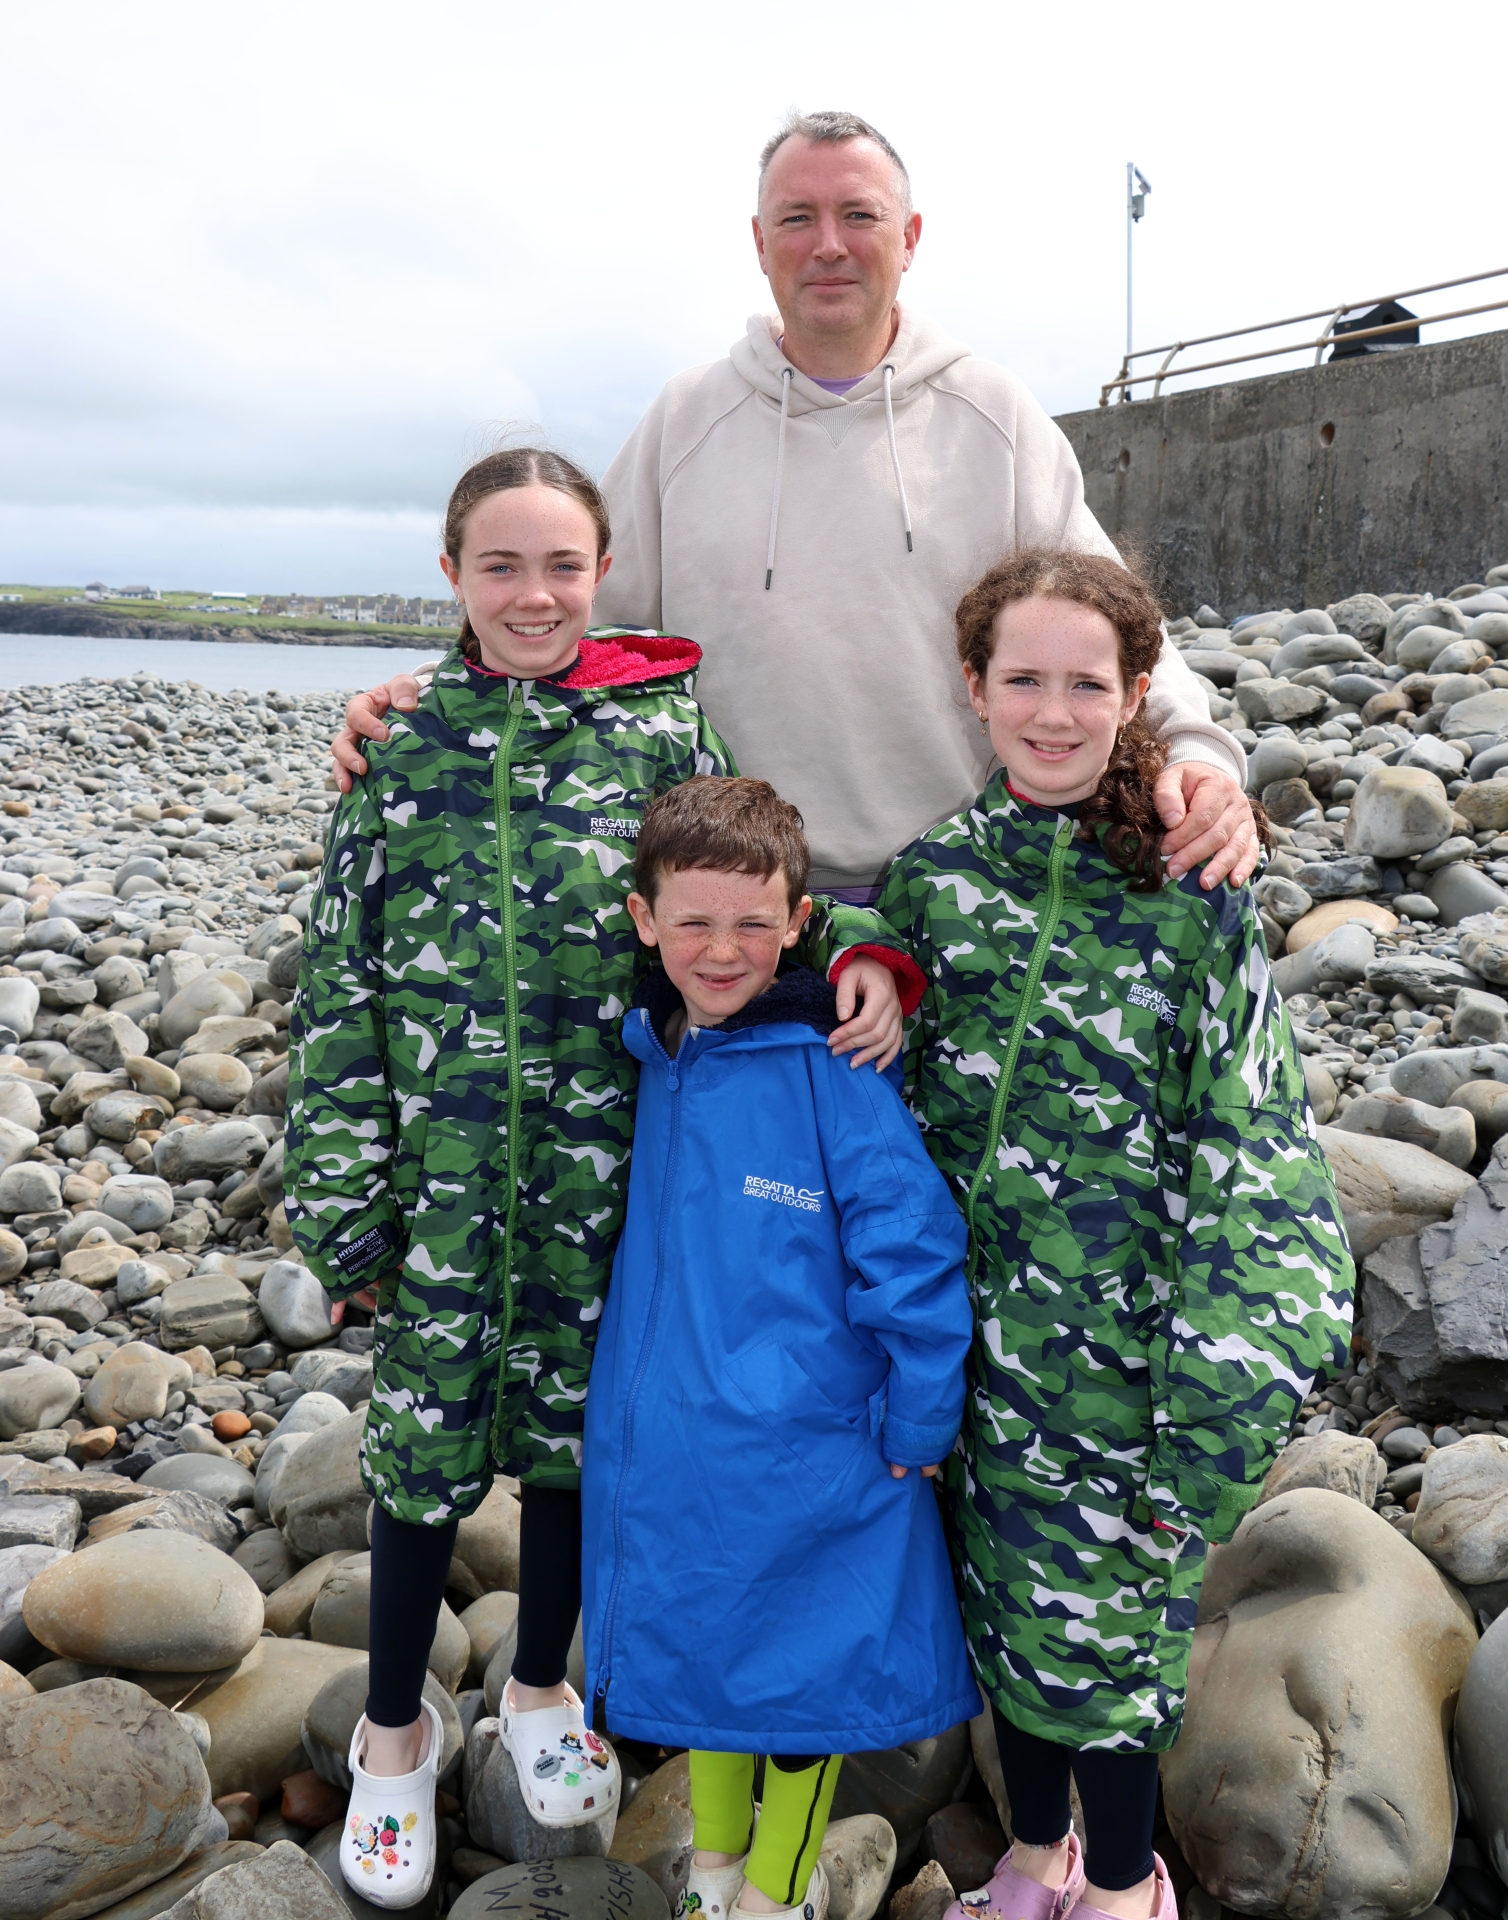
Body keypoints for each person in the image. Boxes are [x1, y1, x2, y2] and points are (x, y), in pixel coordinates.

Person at [284, 449, 909, 1909]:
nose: (534, 594)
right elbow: (341, 991)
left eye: (562, 566)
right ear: (451, 575)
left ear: (601, 573)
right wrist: (342, 1198)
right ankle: (392, 1730)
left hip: (610, 1176)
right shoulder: (404, 750)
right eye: (500, 566)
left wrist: (859, 968)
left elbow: (726, 907)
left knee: (576, 1440)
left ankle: (543, 1684)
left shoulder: (656, 731)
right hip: (443, 1180)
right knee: (423, 1452)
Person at [329, 110, 1261, 898]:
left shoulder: (996, 416)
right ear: (758, 241)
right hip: (738, 909)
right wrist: (423, 704)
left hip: (966, 887)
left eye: (859, 214)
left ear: (912, 237)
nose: (828, 244)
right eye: (798, 217)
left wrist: (1203, 756)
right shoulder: (685, 418)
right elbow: (559, 624)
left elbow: (1118, 630)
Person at [875, 549, 1354, 1920]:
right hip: (963, 1368)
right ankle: (1035, 1860)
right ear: (973, 688)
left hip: (1125, 1374)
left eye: (1087, 682)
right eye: (1021, 678)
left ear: (1138, 691)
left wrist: (1203, 1412)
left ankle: (1130, 1882)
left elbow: (1255, 1164)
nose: (1052, 709)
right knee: (999, 1627)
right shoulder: (931, 888)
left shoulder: (1189, 901)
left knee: (1110, 1649)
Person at [581, 775, 979, 1920]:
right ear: (642, 919)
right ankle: (711, 1876)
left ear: (800, 924)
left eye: (754, 924)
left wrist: (918, 1413)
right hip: (677, 1442)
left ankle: (771, 1893)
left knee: (802, 1679)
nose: (722, 951)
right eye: (693, 923)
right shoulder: (656, 1053)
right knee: (708, 1661)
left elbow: (910, 1244)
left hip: (815, 1442)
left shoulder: (832, 1069)